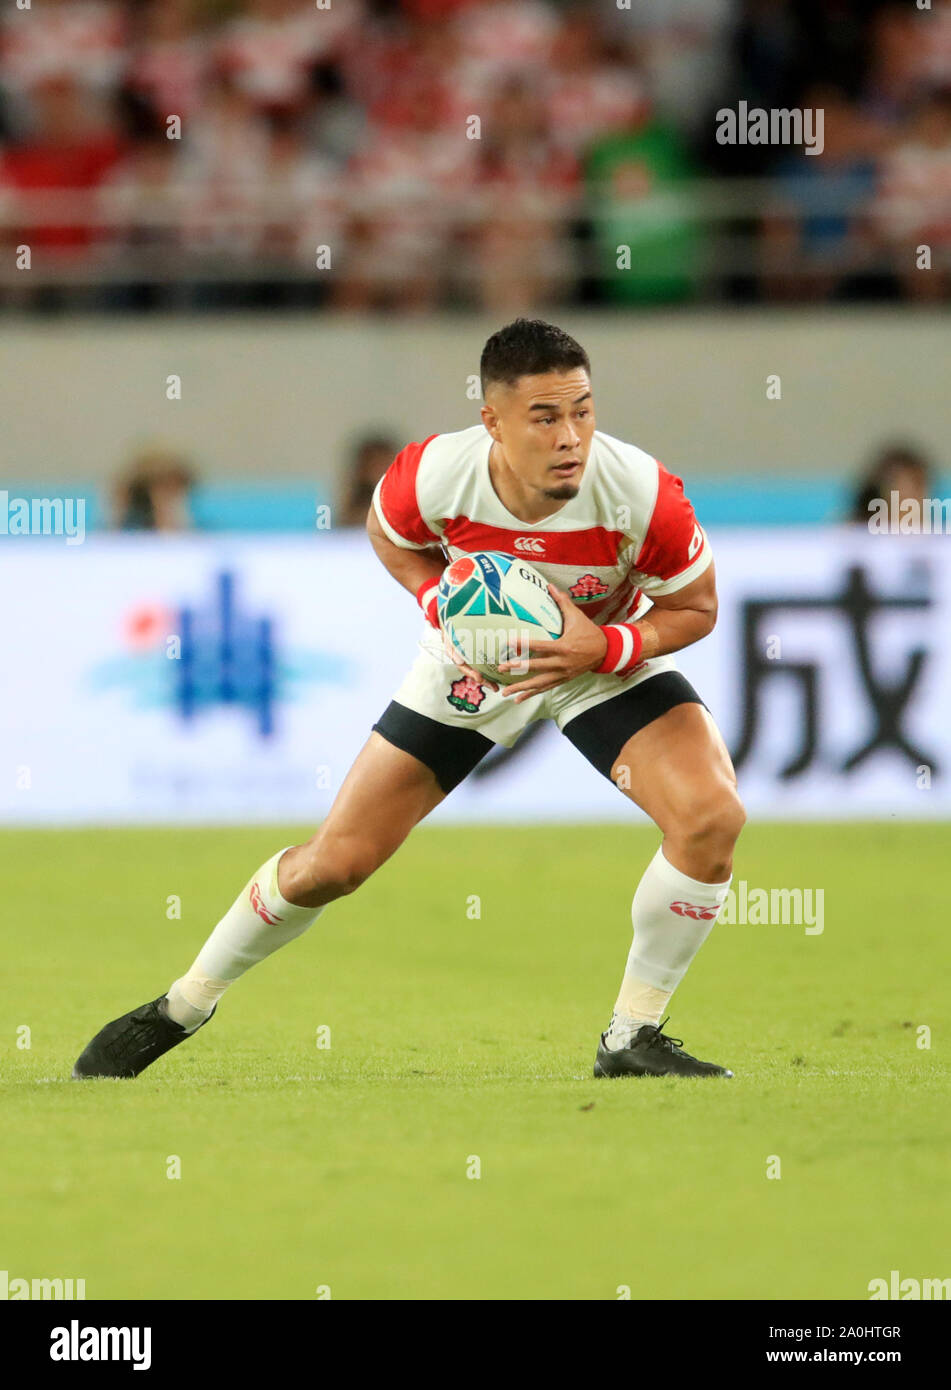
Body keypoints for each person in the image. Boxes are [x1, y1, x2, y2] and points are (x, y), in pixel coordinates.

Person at [74, 319, 745, 1083]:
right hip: (471, 667)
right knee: (335, 864)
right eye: (545, 416)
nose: (571, 437)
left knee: (710, 817)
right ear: (491, 420)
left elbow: (695, 607)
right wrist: (443, 606)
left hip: (600, 657)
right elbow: (391, 535)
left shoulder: (639, 493)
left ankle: (632, 1036)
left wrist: (608, 648)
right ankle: (183, 1006)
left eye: (583, 410)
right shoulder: (434, 474)